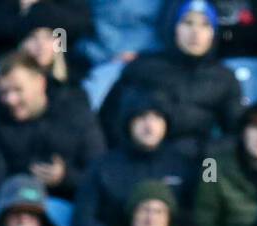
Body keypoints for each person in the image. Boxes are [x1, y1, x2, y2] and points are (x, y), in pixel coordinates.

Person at [99, 1, 243, 164]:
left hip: (196, 165)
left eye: (205, 25)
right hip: (143, 163)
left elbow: (236, 134)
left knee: (212, 176)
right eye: (187, 23)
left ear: (214, 32)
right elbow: (109, 121)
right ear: (173, 26)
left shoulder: (224, 79)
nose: (195, 32)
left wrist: (205, 151)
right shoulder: (143, 69)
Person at [72, 89, 194, 226]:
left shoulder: (183, 164)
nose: (149, 126)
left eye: (157, 118)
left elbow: (196, 217)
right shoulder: (103, 166)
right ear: (128, 123)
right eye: (142, 117)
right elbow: (84, 220)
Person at [0, 51, 107, 200]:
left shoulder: (75, 112)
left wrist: (65, 177)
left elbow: (99, 172)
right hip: (15, 204)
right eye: (4, 92)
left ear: (40, 83)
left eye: (18, 90)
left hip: (69, 204)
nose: (10, 100)